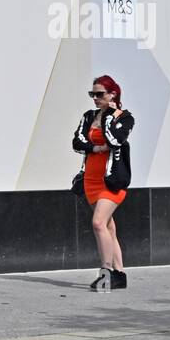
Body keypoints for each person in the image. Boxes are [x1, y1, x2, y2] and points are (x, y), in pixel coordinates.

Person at [72, 74, 134, 290]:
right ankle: (120, 274)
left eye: (100, 94)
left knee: (98, 223)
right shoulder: (89, 116)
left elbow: (115, 139)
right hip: (90, 179)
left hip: (111, 181)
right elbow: (77, 142)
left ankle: (106, 274)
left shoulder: (124, 118)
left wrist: (109, 117)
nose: (95, 98)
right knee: (108, 227)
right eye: (93, 94)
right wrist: (95, 148)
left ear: (112, 94)